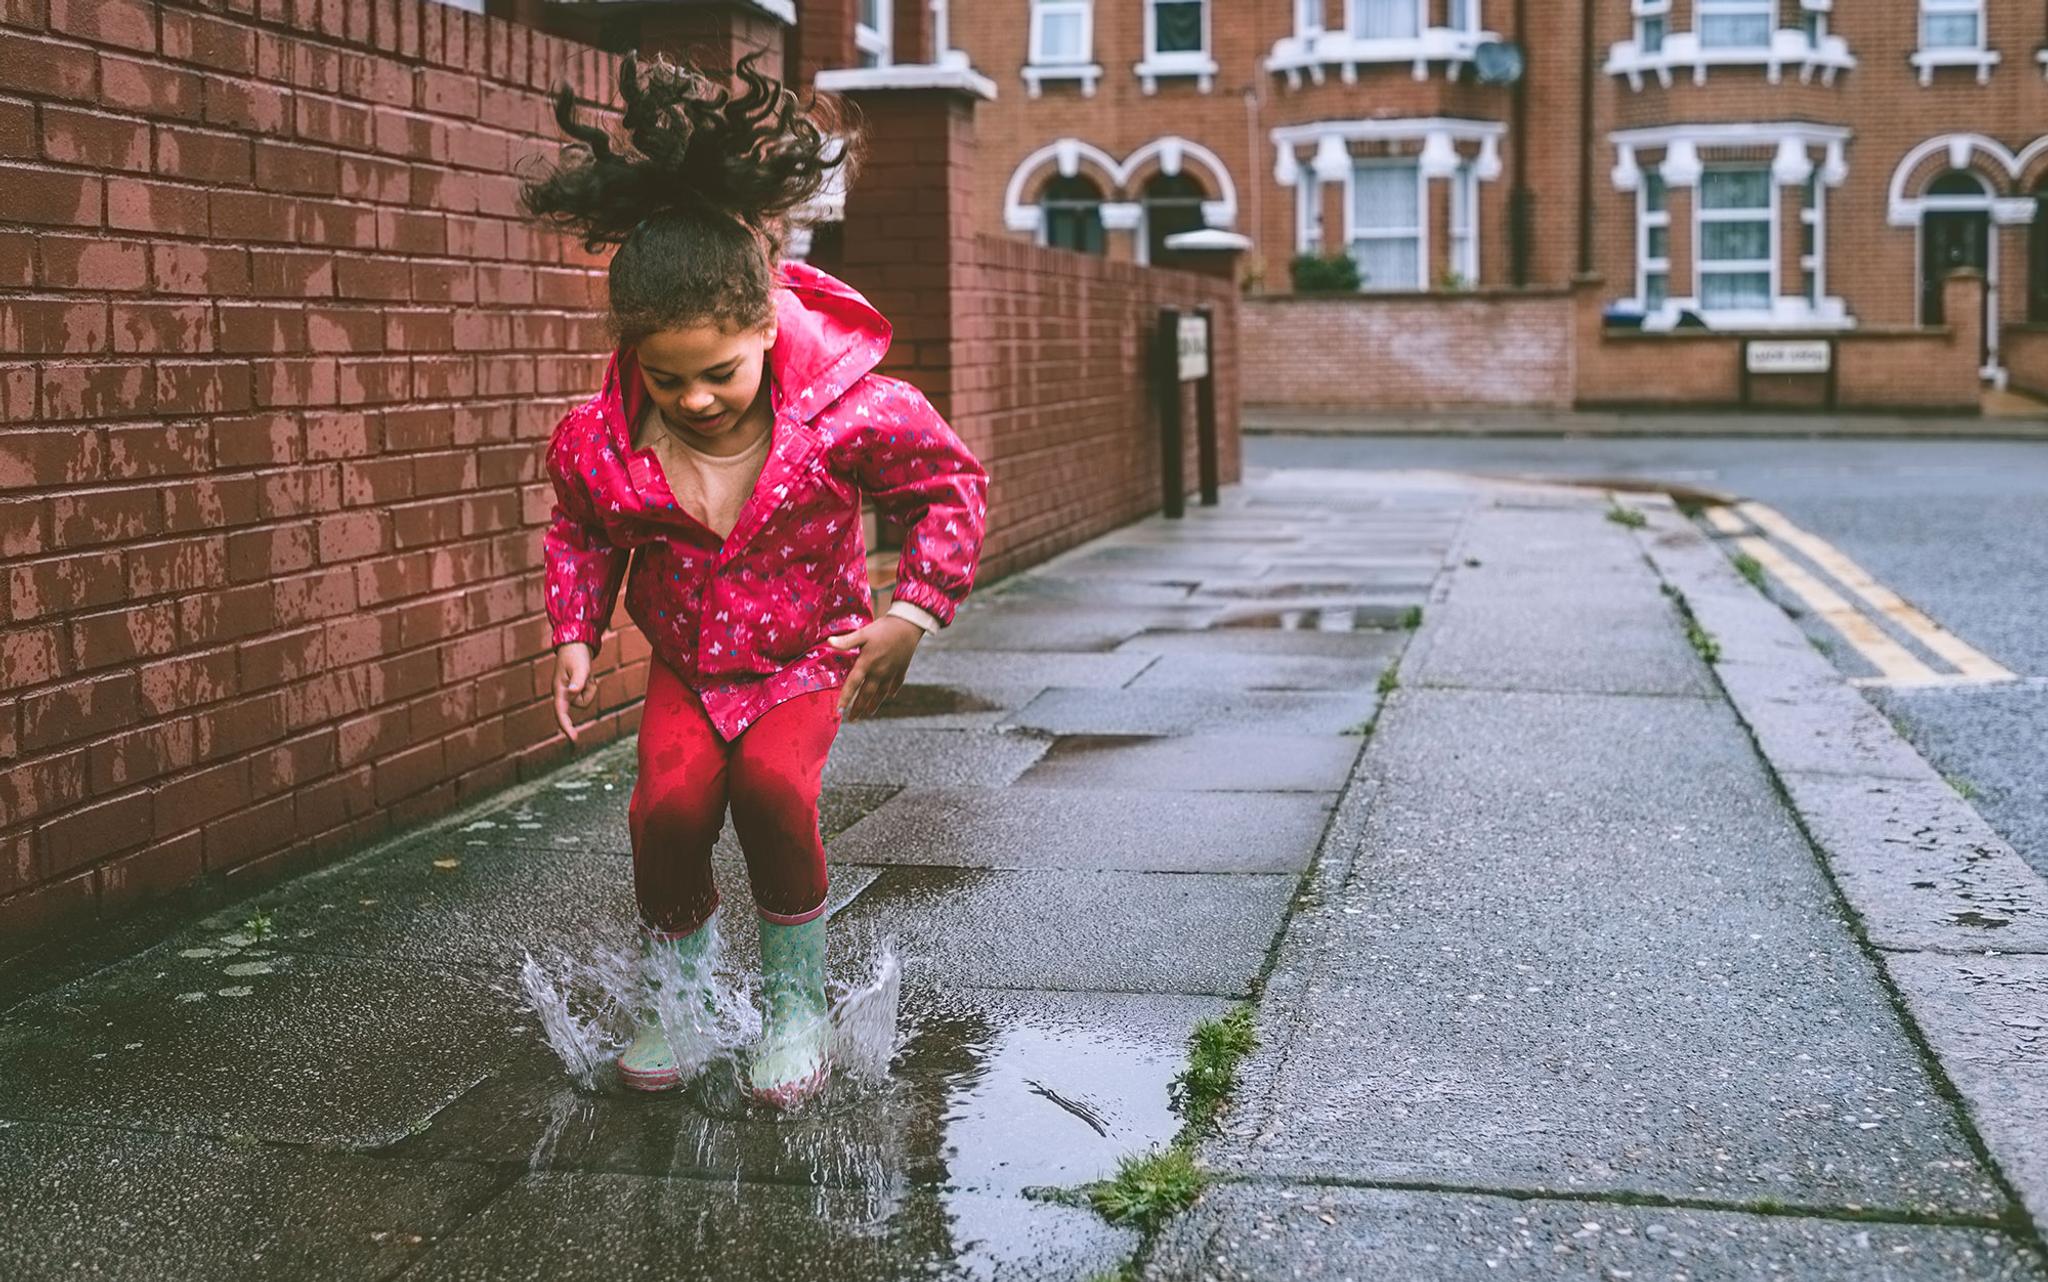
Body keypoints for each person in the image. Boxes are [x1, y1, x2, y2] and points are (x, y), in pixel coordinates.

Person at [521, 52, 988, 1108]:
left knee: (774, 794)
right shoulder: (602, 441)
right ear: (632, 358)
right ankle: (679, 998)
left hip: (802, 655)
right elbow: (580, 531)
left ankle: (793, 1004)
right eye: (666, 375)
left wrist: (912, 610)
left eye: (719, 372)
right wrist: (574, 631)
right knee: (670, 808)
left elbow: (950, 486)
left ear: (768, 327)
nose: (693, 399)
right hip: (689, 664)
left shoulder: (846, 414)